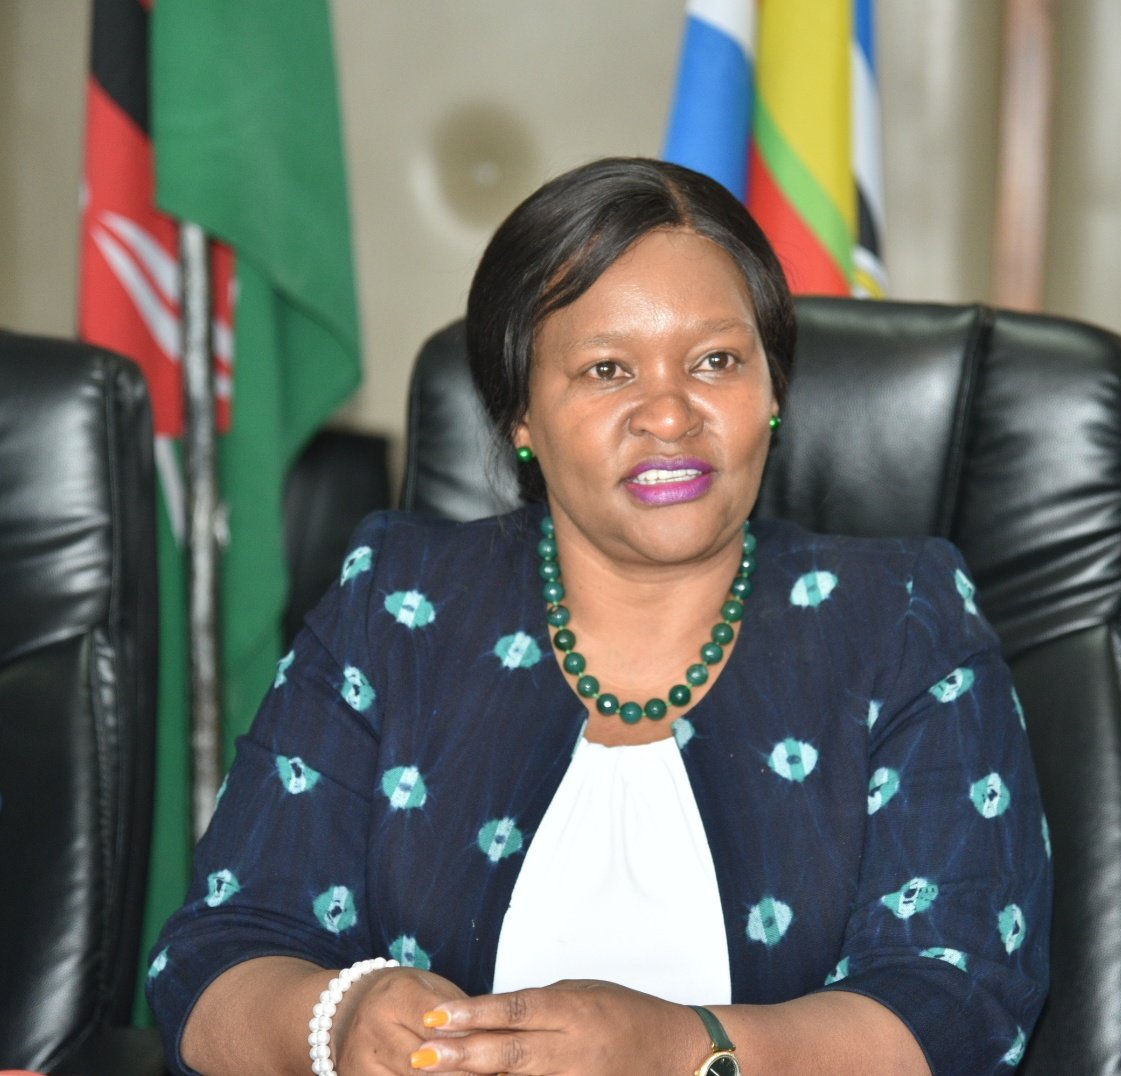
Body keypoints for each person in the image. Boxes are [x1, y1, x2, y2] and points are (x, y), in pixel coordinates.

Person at [148, 157, 1051, 1076]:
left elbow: (959, 1000)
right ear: (520, 417)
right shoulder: (397, 603)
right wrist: (337, 1020)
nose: (670, 415)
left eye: (716, 362)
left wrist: (685, 1049)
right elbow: (214, 957)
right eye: (607, 369)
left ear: (773, 391)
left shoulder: (900, 620)